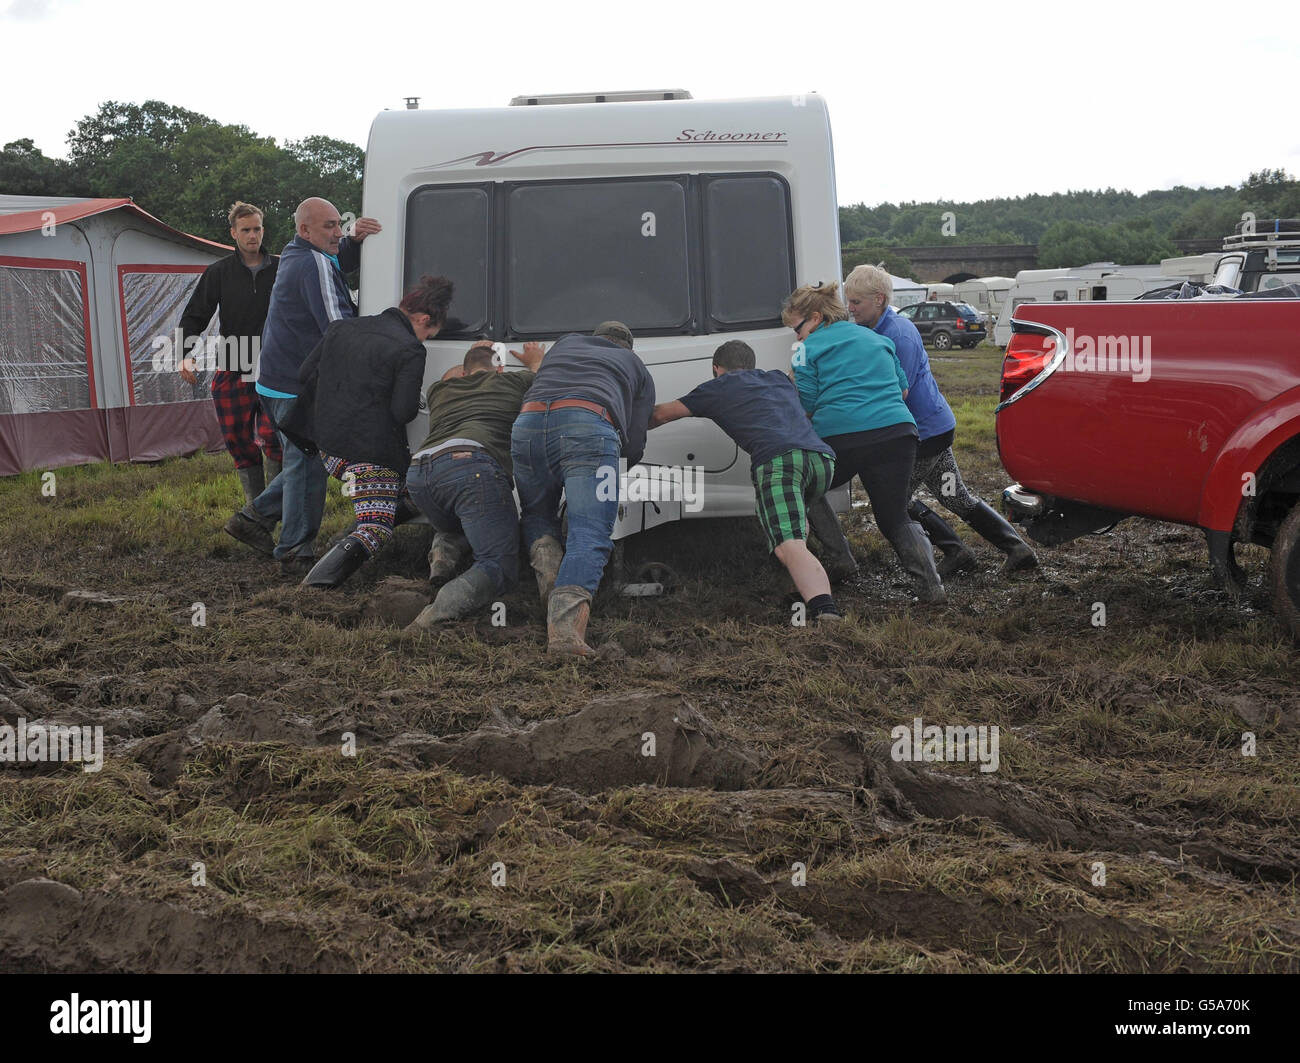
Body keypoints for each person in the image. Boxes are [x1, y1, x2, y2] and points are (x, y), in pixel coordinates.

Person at [222, 197, 382, 575]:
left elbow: (331, 263)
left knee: (306, 459)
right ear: (304, 229)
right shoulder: (312, 263)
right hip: (295, 385)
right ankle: (294, 550)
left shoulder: (298, 254)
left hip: (276, 380)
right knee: (308, 463)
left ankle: (254, 518)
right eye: (329, 226)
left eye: (338, 224)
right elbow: (336, 327)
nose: (337, 231)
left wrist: (353, 244)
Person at [844, 265, 1037, 577]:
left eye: (856, 303)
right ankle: (1018, 550)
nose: (850, 309)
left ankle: (955, 550)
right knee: (955, 496)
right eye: (849, 302)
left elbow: (893, 395)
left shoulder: (897, 336)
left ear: (878, 299)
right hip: (934, 426)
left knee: (892, 503)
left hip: (922, 434)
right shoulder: (880, 328)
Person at [650, 340, 843, 623]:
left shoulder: (717, 387)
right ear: (751, 364)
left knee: (788, 543)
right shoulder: (778, 379)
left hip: (779, 462)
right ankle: (816, 573)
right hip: (821, 460)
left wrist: (617, 418)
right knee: (793, 527)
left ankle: (825, 612)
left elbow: (659, 415)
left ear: (716, 368)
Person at [277, 275, 452, 588]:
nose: (425, 339)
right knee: (375, 529)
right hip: (368, 453)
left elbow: (305, 374)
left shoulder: (341, 328)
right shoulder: (410, 349)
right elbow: (403, 411)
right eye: (429, 333)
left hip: (327, 446)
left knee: (413, 492)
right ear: (423, 319)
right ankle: (313, 589)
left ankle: (346, 536)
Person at [787, 281, 945, 604]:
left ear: (815, 318)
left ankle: (840, 559)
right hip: (898, 435)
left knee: (805, 487)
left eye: (797, 328)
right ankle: (932, 588)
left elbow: (807, 405)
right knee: (895, 517)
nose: (797, 337)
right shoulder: (877, 338)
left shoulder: (805, 350)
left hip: (841, 437)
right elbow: (902, 392)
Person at [510, 322, 655, 656]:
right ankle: (564, 634)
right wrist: (614, 469)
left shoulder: (564, 343)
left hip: (527, 425)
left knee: (536, 512)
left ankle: (549, 575)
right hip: (588, 426)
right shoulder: (635, 366)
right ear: (628, 348)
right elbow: (633, 441)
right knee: (589, 532)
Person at [404, 339, 546, 629]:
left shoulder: (440, 390)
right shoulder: (512, 383)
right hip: (472, 467)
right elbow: (542, 376)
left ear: (465, 372)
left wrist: (475, 351)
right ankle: (434, 615)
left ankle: (444, 552)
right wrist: (533, 360)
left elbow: (459, 371)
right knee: (500, 567)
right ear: (499, 369)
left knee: (462, 520)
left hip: (420, 473)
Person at [177, 201, 282, 507]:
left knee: (274, 438)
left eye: (257, 228)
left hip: (273, 363)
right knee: (237, 437)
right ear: (234, 232)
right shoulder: (219, 272)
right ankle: (254, 509)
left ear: (263, 230)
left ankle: (271, 513)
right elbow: (195, 314)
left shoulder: (281, 267)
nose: (253, 235)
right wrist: (185, 353)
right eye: (246, 230)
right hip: (235, 360)